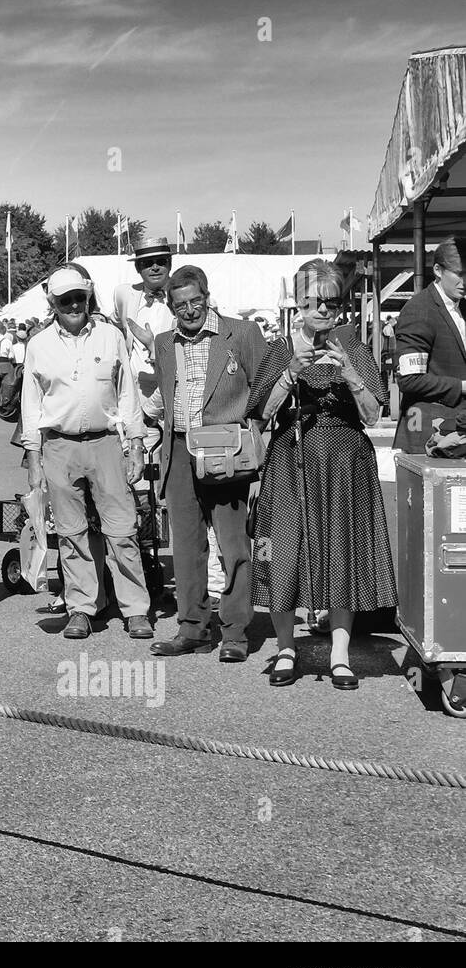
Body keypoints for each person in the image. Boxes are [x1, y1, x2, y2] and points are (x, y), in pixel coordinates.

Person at [248, 259, 395, 689]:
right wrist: (292, 369)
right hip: (291, 457)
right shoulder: (280, 346)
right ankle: (286, 649)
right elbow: (259, 411)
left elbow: (372, 414)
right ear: (299, 303)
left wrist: (349, 373)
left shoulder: (354, 345)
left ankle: (340, 654)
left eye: (334, 302)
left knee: (341, 552)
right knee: (285, 553)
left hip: (345, 459)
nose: (326, 310)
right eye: (316, 302)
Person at [21, 263, 151, 640]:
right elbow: (31, 406)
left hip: (106, 443)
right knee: (70, 533)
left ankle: (136, 609)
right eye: (66, 300)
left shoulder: (111, 336)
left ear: (88, 296)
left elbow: (127, 393)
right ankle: (81, 608)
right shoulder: (38, 345)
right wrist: (34, 460)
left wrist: (137, 444)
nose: (74, 305)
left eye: (80, 297)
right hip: (59, 446)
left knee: (122, 530)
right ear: (54, 304)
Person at [142, 265, 266, 661]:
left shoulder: (241, 333)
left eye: (197, 301)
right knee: (186, 545)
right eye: (182, 305)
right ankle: (192, 628)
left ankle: (234, 633)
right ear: (170, 305)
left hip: (224, 448)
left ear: (207, 297)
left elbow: (266, 388)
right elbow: (164, 395)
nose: (191, 310)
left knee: (232, 543)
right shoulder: (163, 342)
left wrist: (253, 435)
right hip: (178, 448)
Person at [393, 236, 466, 451]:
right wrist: (462, 386)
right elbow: (410, 379)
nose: (465, 281)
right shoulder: (419, 310)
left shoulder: (461, 306)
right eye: (459, 274)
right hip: (426, 434)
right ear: (437, 270)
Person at [113, 236, 176, 400]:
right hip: (136, 389)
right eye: (147, 263)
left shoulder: (184, 295)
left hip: (174, 385)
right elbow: (114, 323)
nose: (154, 268)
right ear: (137, 268)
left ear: (169, 264)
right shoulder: (124, 294)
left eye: (161, 261)